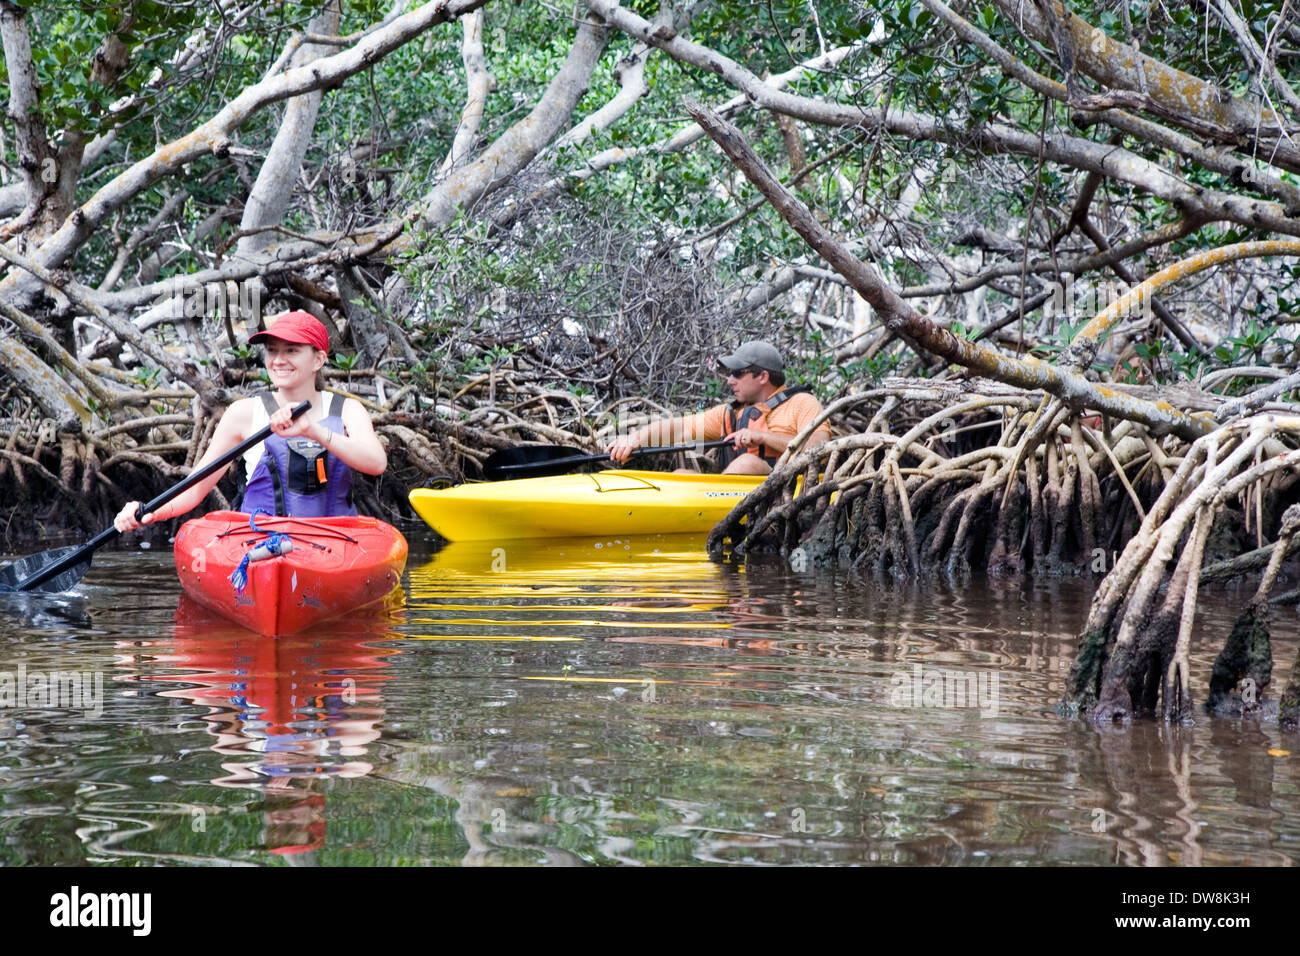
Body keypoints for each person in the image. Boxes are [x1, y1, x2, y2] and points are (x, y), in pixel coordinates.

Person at [113, 310, 387, 531]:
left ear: (318, 360)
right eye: (272, 350)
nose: (278, 360)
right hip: (261, 545)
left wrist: (314, 431)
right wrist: (148, 511)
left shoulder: (347, 410)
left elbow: (376, 463)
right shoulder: (243, 413)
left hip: (337, 544)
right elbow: (195, 488)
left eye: (292, 350)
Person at [605, 341, 831, 475]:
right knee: (683, 475)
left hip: (783, 491)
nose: (730, 380)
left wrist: (762, 437)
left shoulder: (803, 403)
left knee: (747, 462)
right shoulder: (731, 412)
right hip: (728, 491)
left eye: (737, 373)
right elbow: (681, 427)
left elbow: (819, 450)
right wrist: (634, 440)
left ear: (762, 376)